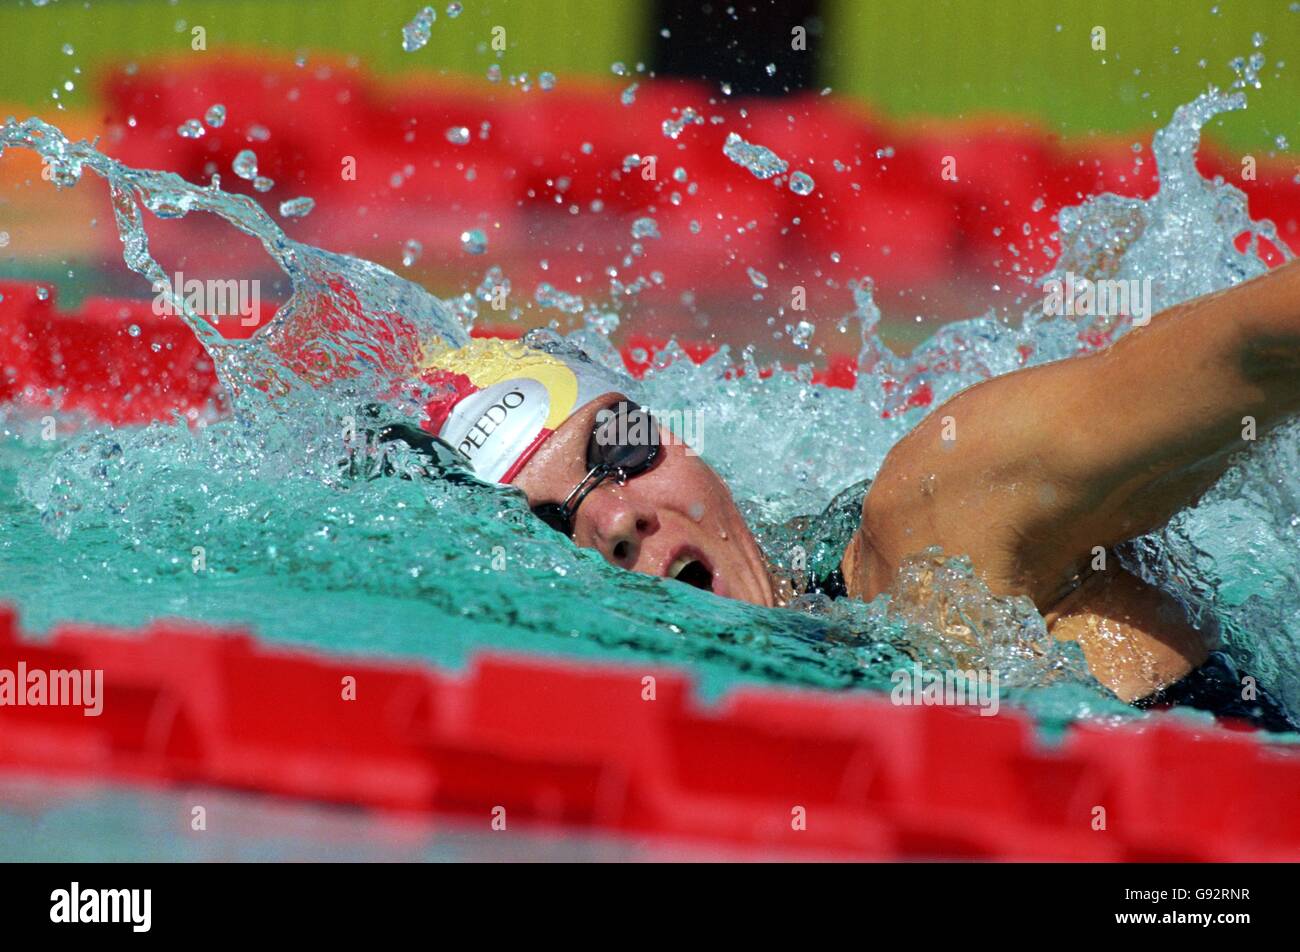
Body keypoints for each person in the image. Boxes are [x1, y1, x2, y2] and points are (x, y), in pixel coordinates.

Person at [388, 260, 1300, 731]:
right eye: (555, 525)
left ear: (677, 435)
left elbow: (1249, 352)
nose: (619, 514)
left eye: (620, 447)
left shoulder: (937, 530)